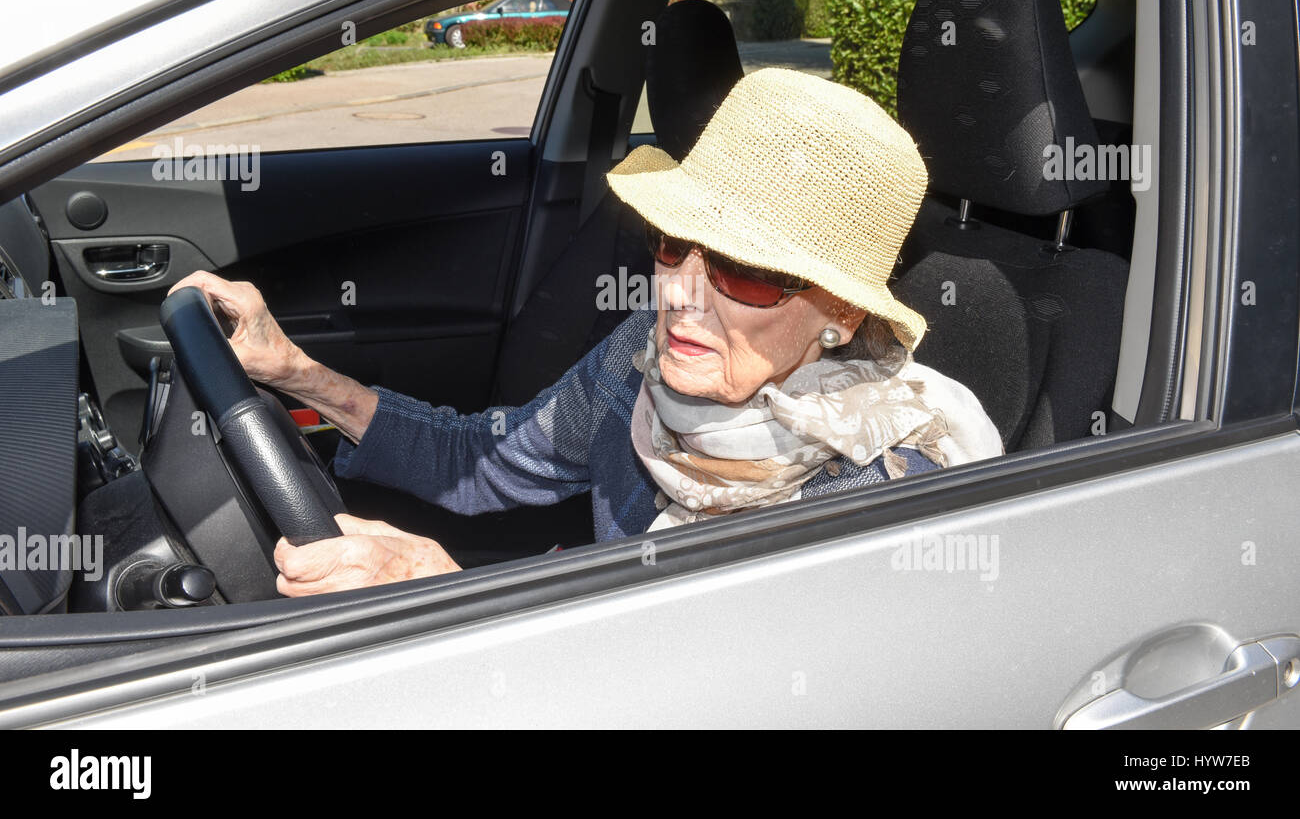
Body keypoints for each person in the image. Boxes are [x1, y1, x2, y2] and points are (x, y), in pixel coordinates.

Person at [170, 67, 1002, 597]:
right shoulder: (645, 360)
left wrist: (445, 590)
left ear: (841, 313)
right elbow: (485, 459)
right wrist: (296, 371)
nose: (679, 293)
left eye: (745, 270)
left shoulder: (889, 498)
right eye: (674, 243)